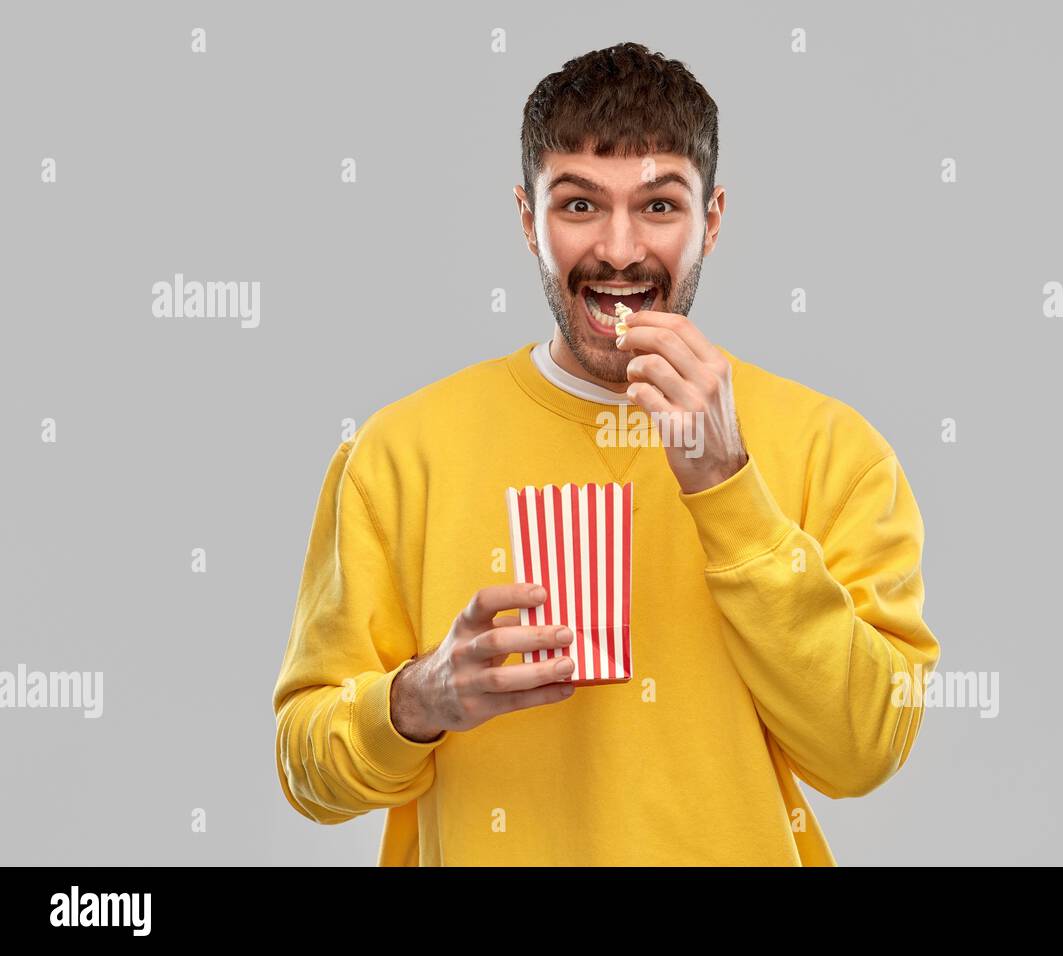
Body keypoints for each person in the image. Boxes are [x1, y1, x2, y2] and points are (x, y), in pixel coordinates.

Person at [272, 41, 940, 866]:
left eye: (659, 207)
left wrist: (727, 487)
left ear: (714, 219)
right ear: (527, 220)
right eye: (579, 205)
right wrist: (418, 698)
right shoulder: (398, 453)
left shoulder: (836, 451)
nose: (619, 250)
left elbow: (865, 750)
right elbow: (307, 770)